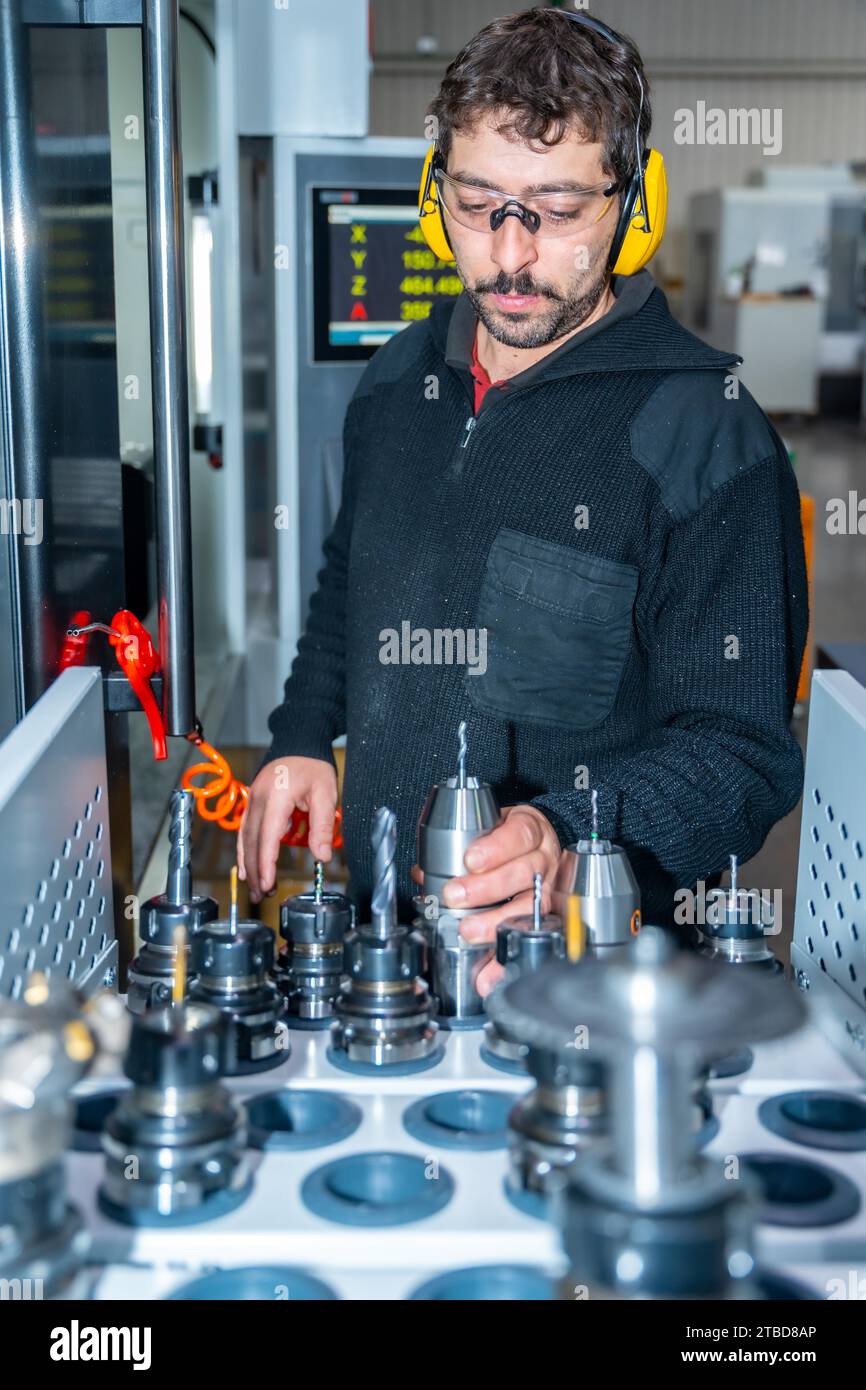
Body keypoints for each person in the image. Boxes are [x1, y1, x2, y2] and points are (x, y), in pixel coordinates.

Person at [238, 7, 808, 993]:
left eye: (553, 209)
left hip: (583, 967)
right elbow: (349, 583)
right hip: (385, 945)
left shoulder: (705, 435)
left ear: (633, 209)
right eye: (477, 202)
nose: (507, 254)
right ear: (433, 198)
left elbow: (743, 748)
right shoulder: (398, 380)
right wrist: (302, 732)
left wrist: (572, 833)